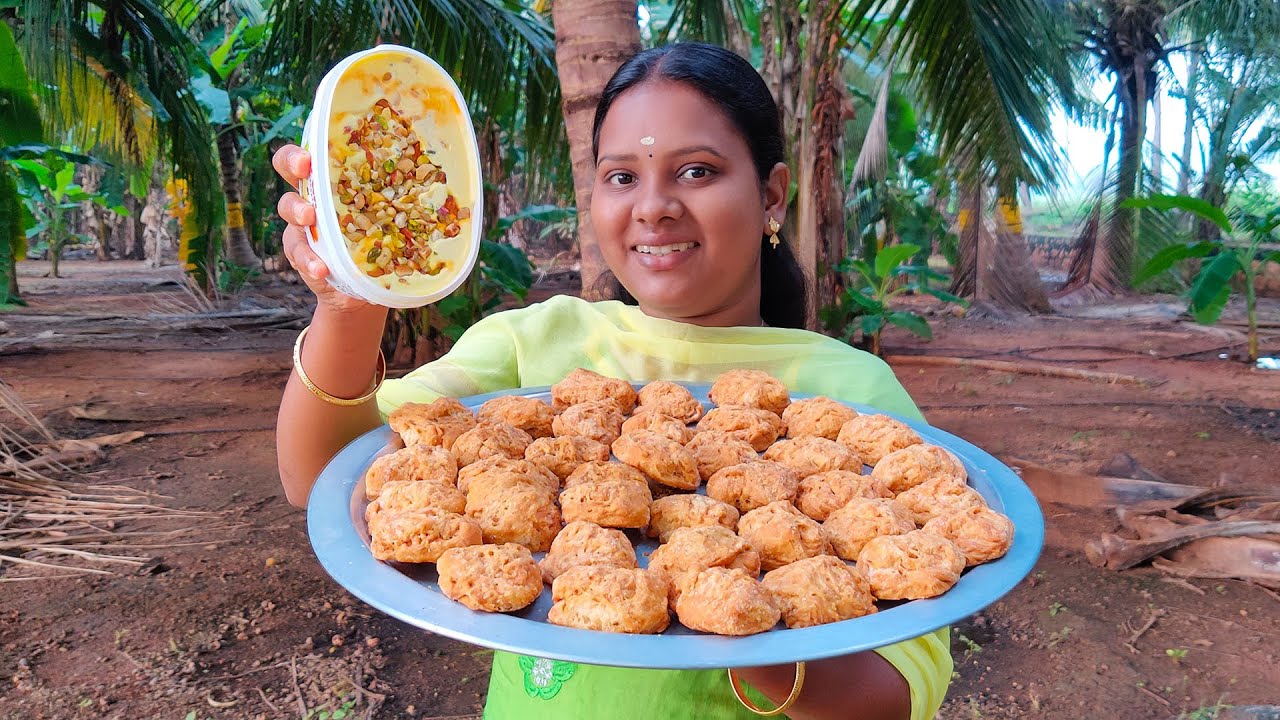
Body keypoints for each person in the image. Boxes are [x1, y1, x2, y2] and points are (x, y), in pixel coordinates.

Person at [274, 42, 951, 720]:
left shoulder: (853, 396)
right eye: (622, 177)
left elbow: (893, 696)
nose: (654, 207)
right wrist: (348, 306)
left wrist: (732, 607)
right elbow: (326, 481)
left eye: (695, 170)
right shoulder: (536, 344)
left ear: (771, 194)